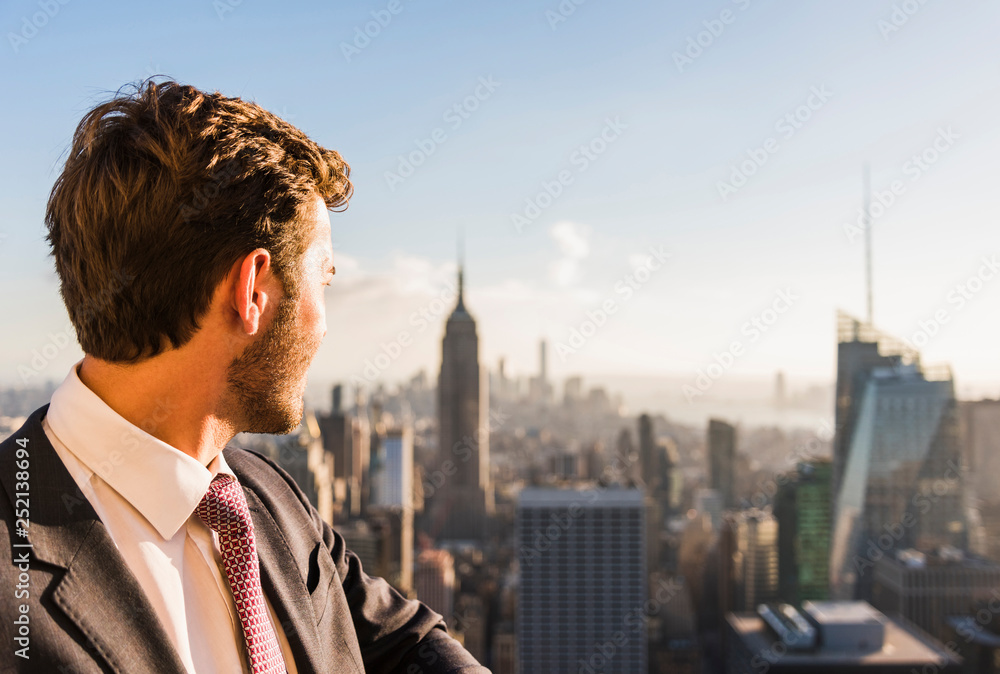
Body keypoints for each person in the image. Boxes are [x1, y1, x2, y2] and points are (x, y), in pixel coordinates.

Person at [0, 80, 489, 674]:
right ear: (253, 290)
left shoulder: (268, 498)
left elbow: (405, 643)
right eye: (323, 282)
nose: (326, 325)